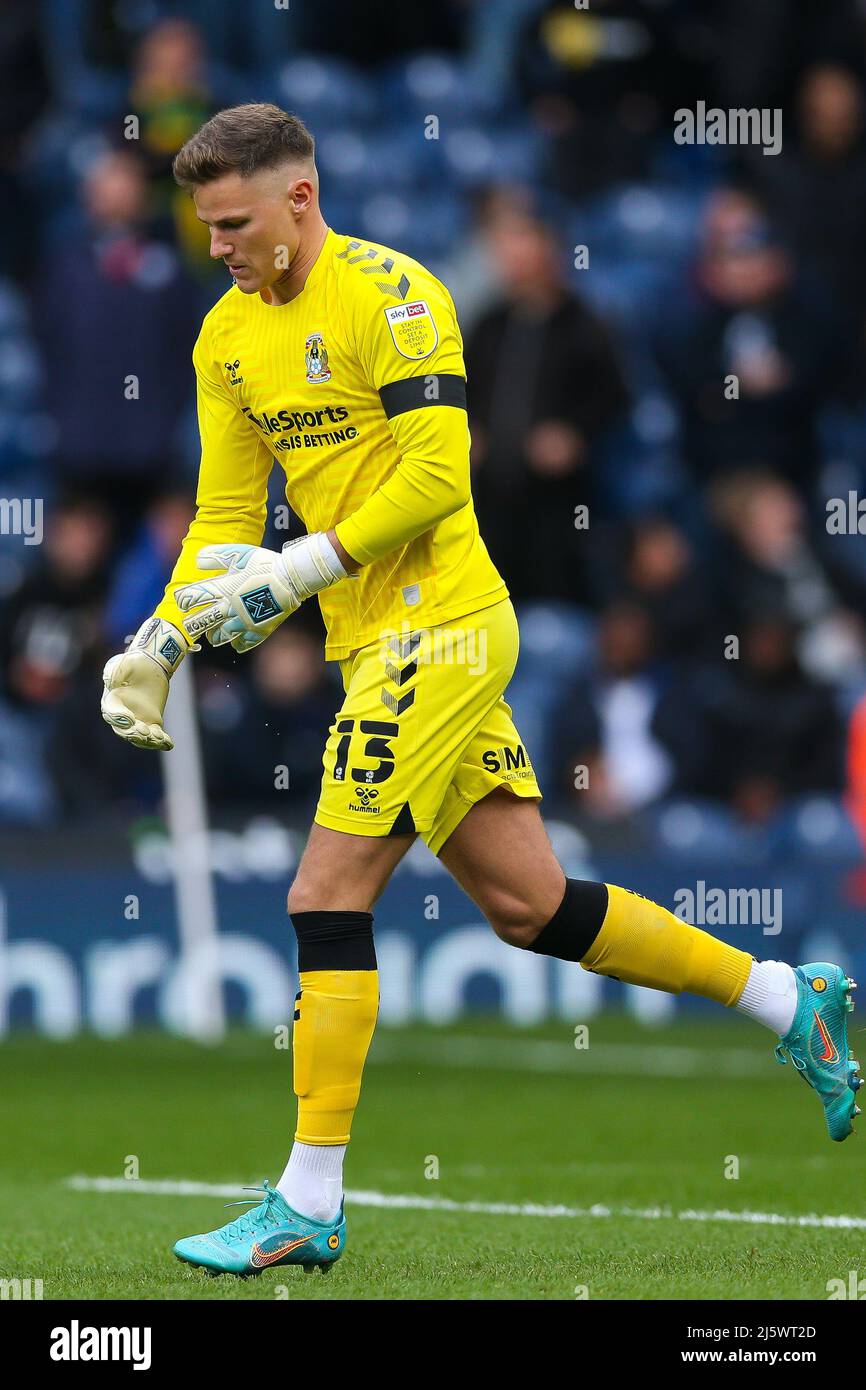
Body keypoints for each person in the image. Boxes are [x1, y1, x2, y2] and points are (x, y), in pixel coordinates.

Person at [100, 104, 860, 1279]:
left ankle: (308, 1198)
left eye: (236, 223)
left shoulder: (394, 294)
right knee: (529, 905)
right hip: (372, 644)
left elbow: (439, 470)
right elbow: (222, 523)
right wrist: (159, 638)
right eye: (205, 227)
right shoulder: (221, 339)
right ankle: (783, 998)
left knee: (323, 891)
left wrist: (302, 569)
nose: (219, 247)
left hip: (444, 631)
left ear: (299, 199)